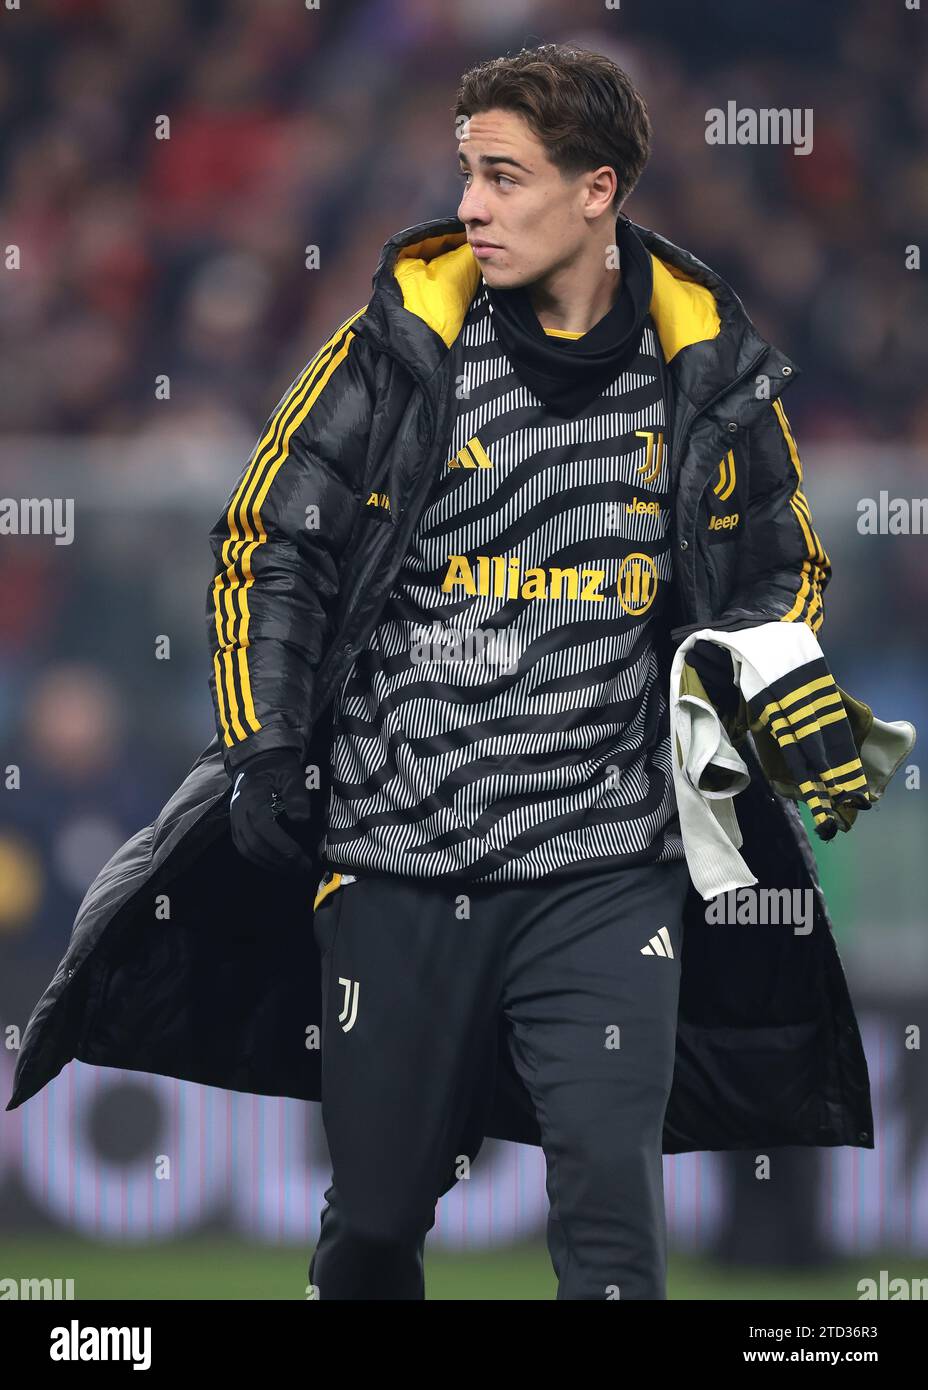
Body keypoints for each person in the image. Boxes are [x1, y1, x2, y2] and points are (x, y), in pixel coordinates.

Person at [213, 43, 830, 1300]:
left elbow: (788, 568)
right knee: (377, 1222)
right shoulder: (391, 355)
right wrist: (266, 747)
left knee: (613, 1224)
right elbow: (270, 545)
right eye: (466, 175)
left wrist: (751, 678)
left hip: (607, 871)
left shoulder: (706, 370)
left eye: (503, 177)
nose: (472, 207)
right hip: (396, 857)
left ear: (597, 190)